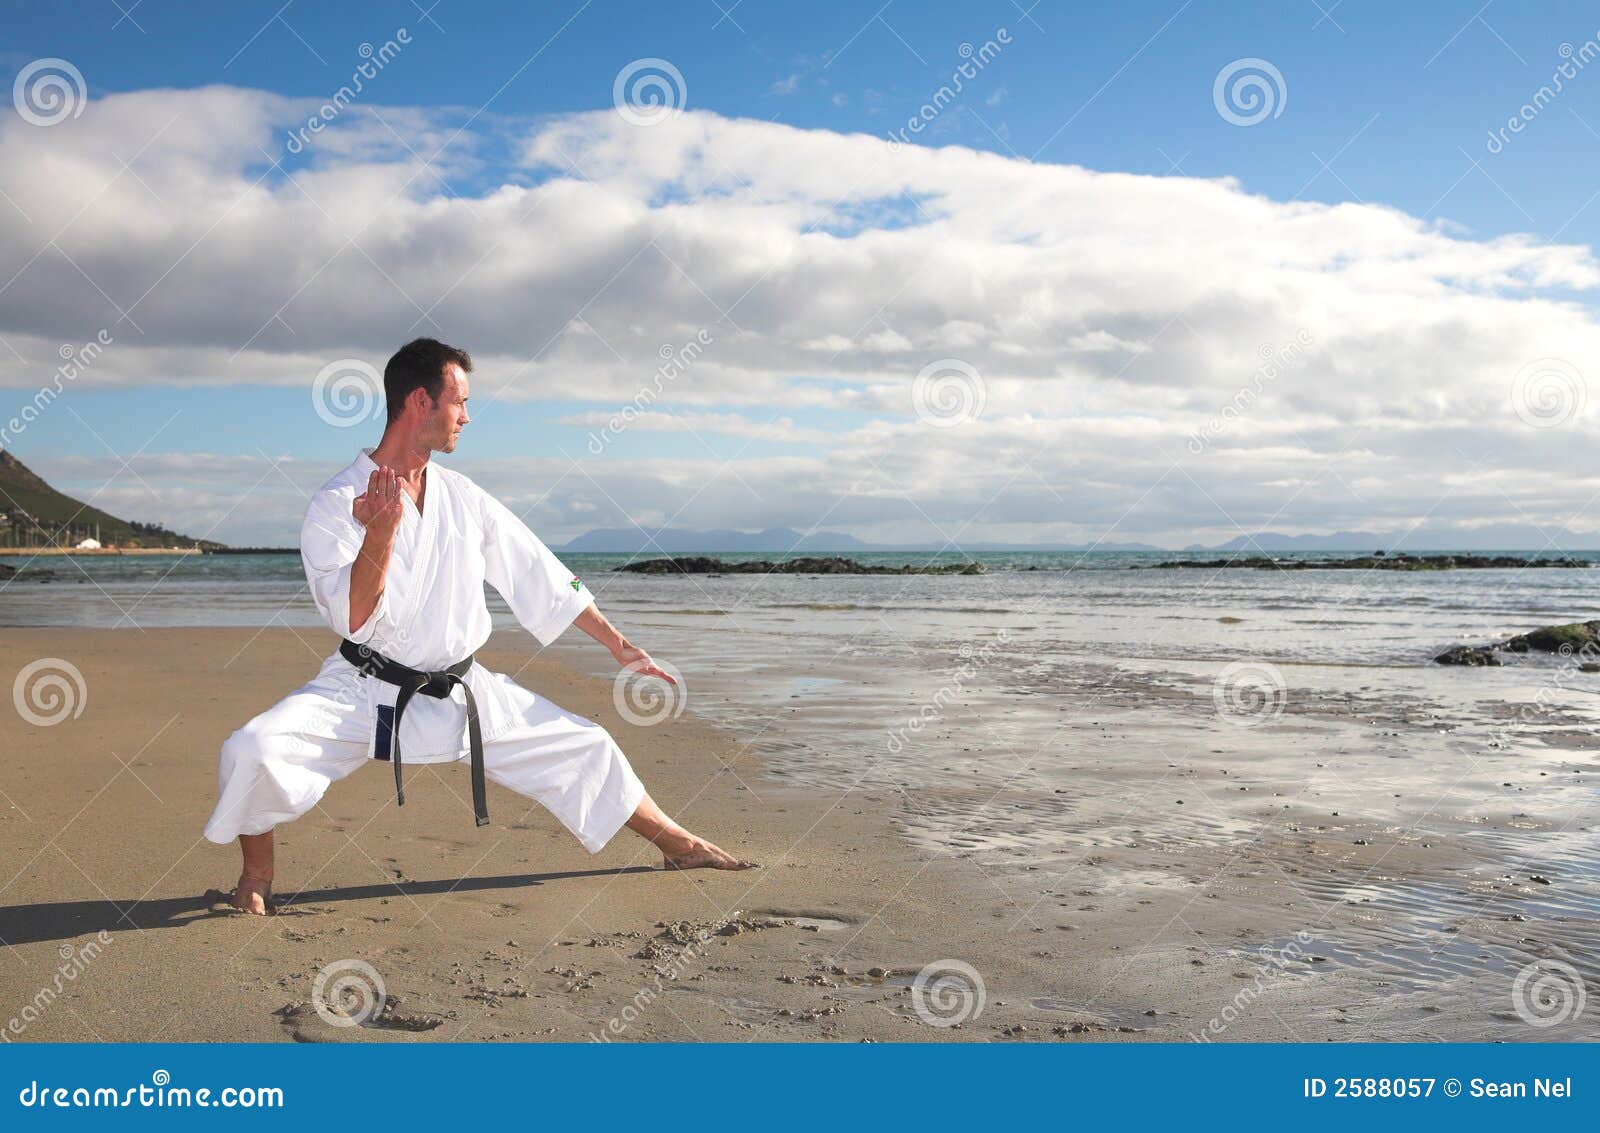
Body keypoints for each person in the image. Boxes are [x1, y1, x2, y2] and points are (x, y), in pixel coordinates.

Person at [203, 338, 755, 915]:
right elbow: (355, 616)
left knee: (584, 744)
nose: (466, 417)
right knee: (255, 748)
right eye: (459, 402)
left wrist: (618, 644)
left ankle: (679, 845)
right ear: (420, 401)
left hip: (464, 688)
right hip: (365, 689)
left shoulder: (463, 497)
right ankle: (257, 876)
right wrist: (381, 532)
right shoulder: (337, 502)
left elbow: (535, 568)